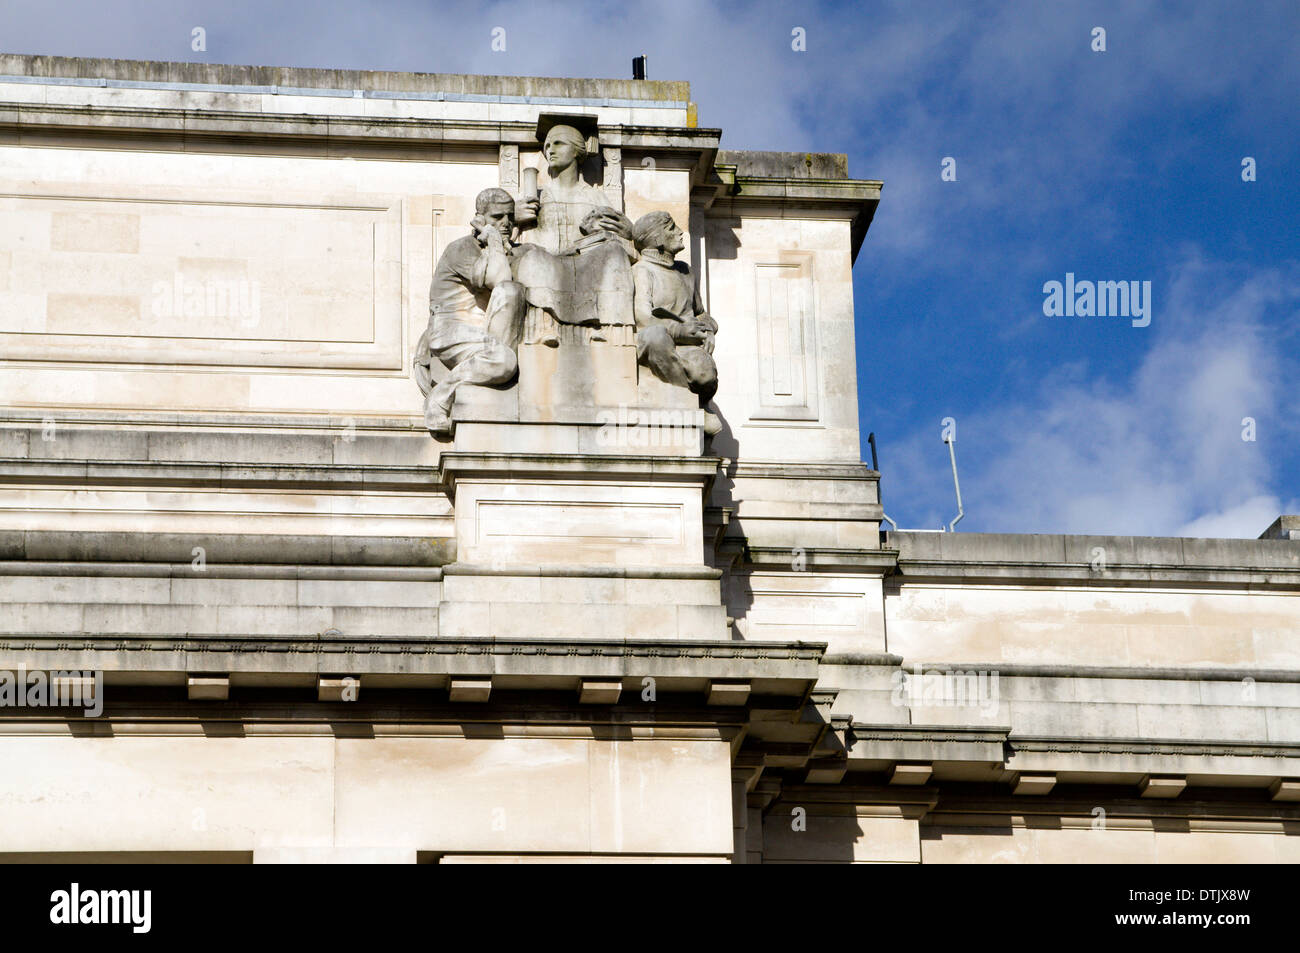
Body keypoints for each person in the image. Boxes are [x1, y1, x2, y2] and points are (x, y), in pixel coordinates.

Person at [417, 188, 527, 434]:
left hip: (481, 333)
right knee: (503, 359)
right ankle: (440, 397)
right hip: (451, 331)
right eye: (498, 217)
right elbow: (501, 279)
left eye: (511, 217)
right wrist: (493, 239)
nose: (507, 224)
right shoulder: (462, 248)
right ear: (480, 218)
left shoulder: (500, 248)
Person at [630, 211, 721, 435]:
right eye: (672, 229)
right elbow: (642, 316)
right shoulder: (642, 270)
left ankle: (699, 401)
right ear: (658, 239)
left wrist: (708, 328)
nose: (680, 232)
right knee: (655, 336)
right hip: (658, 339)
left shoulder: (686, 271)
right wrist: (679, 330)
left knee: (704, 374)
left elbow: (701, 313)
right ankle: (688, 403)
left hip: (687, 343)